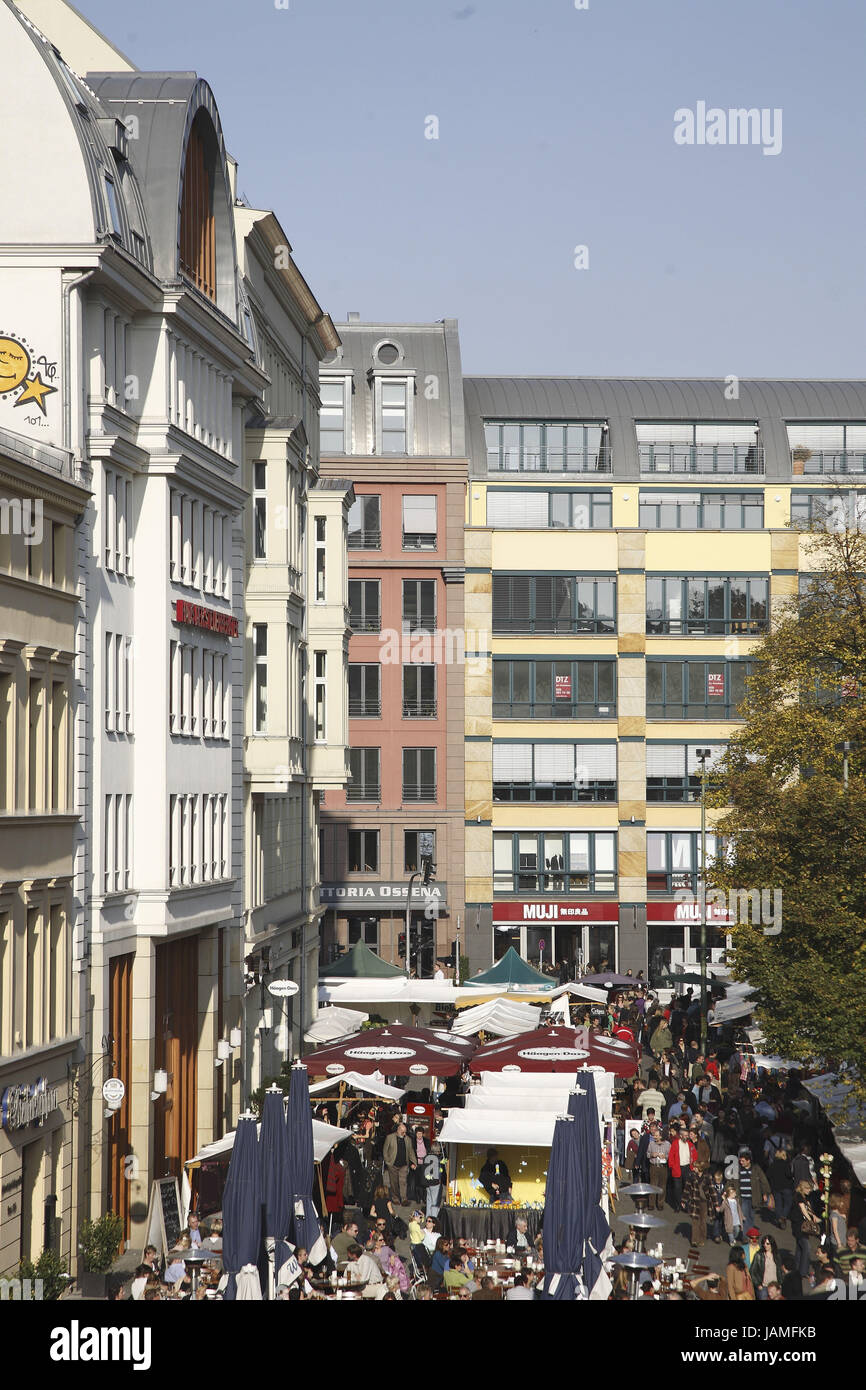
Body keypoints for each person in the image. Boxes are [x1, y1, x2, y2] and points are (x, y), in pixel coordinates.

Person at [791, 1179, 820, 1279]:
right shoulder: (798, 1196)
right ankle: (803, 1271)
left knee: (800, 1247)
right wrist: (811, 1220)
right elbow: (803, 1210)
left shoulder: (803, 1197)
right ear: (803, 1188)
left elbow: (807, 1210)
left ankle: (797, 1268)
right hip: (799, 1225)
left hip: (800, 1225)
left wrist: (813, 1216)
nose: (809, 1190)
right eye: (807, 1188)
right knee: (806, 1248)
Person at [382, 1122, 417, 1206]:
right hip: (393, 1164)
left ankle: (404, 1199)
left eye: (405, 1132)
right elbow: (385, 1150)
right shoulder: (390, 1137)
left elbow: (411, 1152)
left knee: (403, 1182)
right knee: (394, 1183)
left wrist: (414, 1162)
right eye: (402, 1132)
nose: (404, 1134)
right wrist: (388, 1162)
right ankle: (395, 1198)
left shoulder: (408, 1139)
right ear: (398, 1130)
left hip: (404, 1164)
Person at [736, 1150, 771, 1229]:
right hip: (743, 1197)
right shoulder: (739, 1169)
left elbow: (763, 1181)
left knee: (751, 1216)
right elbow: (733, 1181)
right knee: (745, 1216)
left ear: (748, 1161)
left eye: (743, 1161)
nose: (741, 1162)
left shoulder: (756, 1169)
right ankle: (746, 1235)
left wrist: (765, 1193)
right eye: (740, 1161)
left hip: (753, 1197)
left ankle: (749, 1232)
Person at [682, 1162, 714, 1247]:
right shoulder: (691, 1176)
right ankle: (694, 1240)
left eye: (695, 1167)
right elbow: (687, 1188)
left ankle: (702, 1239)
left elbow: (712, 1191)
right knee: (695, 1221)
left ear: (700, 1168)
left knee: (703, 1221)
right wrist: (683, 1201)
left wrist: (716, 1204)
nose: (693, 1169)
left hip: (704, 1202)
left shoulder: (707, 1177)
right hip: (695, 1201)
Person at [667, 1126, 697, 1211]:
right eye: (685, 1135)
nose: (687, 1137)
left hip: (687, 1167)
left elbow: (694, 1155)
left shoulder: (690, 1144)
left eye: (687, 1135)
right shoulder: (675, 1143)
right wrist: (672, 1166)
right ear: (680, 1135)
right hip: (677, 1168)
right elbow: (671, 1156)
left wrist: (694, 1165)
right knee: (677, 1188)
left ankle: (686, 1205)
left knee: (686, 1188)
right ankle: (677, 1205)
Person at [768, 1145, 793, 1230]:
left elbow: (769, 1175)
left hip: (776, 1187)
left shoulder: (772, 1164)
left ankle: (779, 1217)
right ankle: (783, 1216)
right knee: (788, 1202)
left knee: (778, 1203)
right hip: (786, 1186)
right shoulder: (785, 1164)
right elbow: (789, 1174)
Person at [750, 1233, 780, 1299]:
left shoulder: (776, 1255)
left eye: (767, 1243)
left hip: (775, 1286)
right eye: (764, 1243)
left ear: (772, 1244)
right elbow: (752, 1271)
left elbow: (779, 1270)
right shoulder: (759, 1255)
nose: (765, 1245)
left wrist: (780, 1283)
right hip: (764, 1287)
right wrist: (758, 1284)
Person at [422, 1140, 445, 1218]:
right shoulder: (437, 1159)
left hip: (427, 1182)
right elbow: (439, 1172)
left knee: (429, 1200)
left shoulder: (426, 1157)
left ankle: (428, 1217)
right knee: (435, 1202)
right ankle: (433, 1218)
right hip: (435, 1183)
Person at [828, 1192, 847, 1257]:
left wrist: (842, 1216)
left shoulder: (836, 1213)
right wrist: (839, 1243)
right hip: (837, 1242)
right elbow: (835, 1230)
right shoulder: (834, 1216)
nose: (842, 1203)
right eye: (841, 1202)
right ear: (836, 1203)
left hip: (842, 1240)